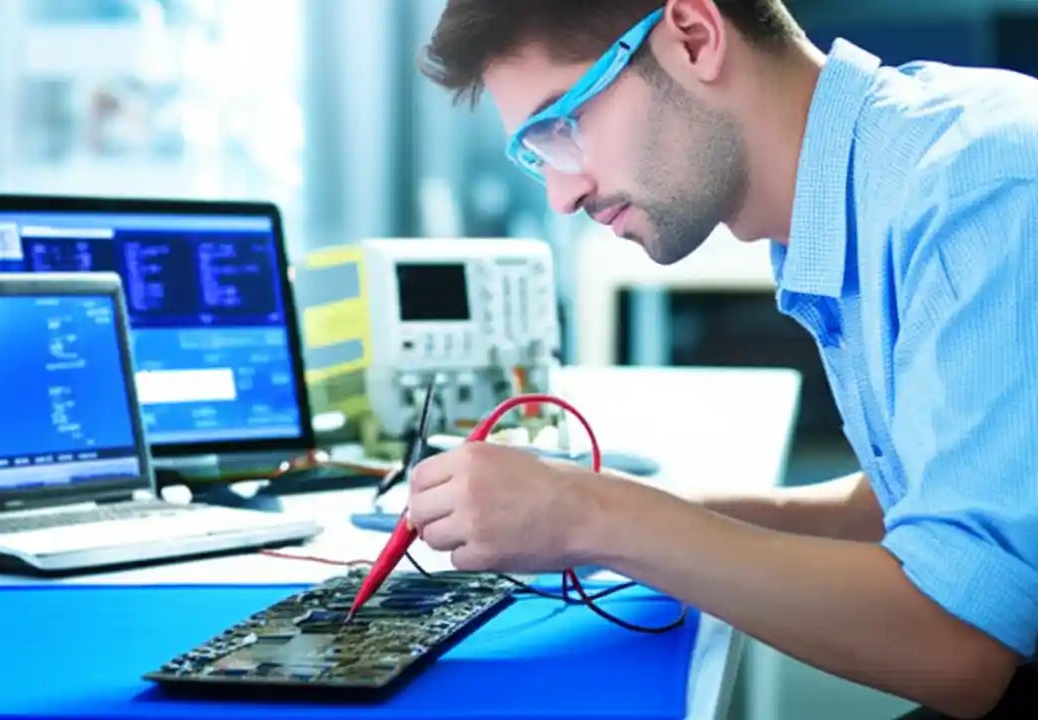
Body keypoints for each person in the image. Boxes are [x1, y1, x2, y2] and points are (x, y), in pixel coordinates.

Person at [406, 1, 1038, 717]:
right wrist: (585, 513)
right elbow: (918, 497)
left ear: (694, 36)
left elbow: (960, 644)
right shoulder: (868, 182)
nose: (562, 192)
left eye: (564, 125)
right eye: (538, 152)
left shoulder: (976, 188)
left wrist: (590, 513)